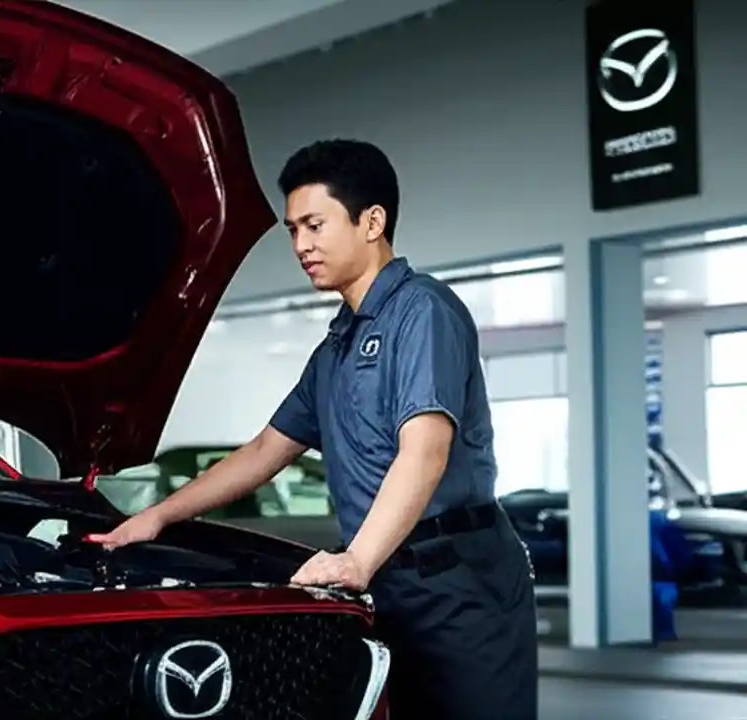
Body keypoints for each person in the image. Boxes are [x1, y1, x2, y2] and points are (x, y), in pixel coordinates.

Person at [88, 139, 538, 719]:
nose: (301, 245)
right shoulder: (335, 348)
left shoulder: (423, 313)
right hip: (390, 580)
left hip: (459, 581)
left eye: (314, 225)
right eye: (292, 229)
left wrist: (355, 561)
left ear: (371, 221)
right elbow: (262, 451)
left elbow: (424, 453)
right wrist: (157, 516)